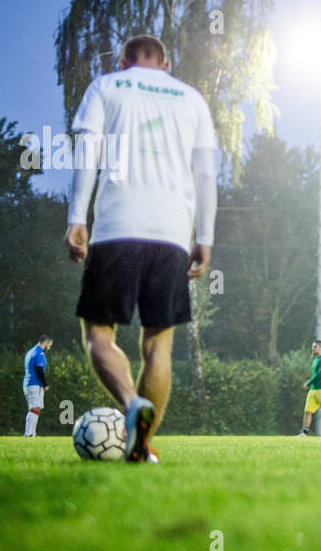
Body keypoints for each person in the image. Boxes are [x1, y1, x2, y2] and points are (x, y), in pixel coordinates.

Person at [65, 33, 217, 464]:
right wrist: (204, 237)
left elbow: (87, 149)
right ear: (165, 64)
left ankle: (132, 403)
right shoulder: (192, 99)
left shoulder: (106, 86)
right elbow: (206, 174)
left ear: (123, 61)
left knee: (97, 336)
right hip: (172, 234)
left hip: (117, 228)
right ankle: (141, 448)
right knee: (158, 348)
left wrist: (77, 218)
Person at [22, 335, 53, 436]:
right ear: (45, 342)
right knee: (35, 408)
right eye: (49, 345)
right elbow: (39, 369)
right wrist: (45, 384)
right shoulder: (40, 353)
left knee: (33, 409)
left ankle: (32, 433)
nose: (49, 348)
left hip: (27, 384)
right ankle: (29, 434)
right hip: (35, 384)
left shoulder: (30, 352)